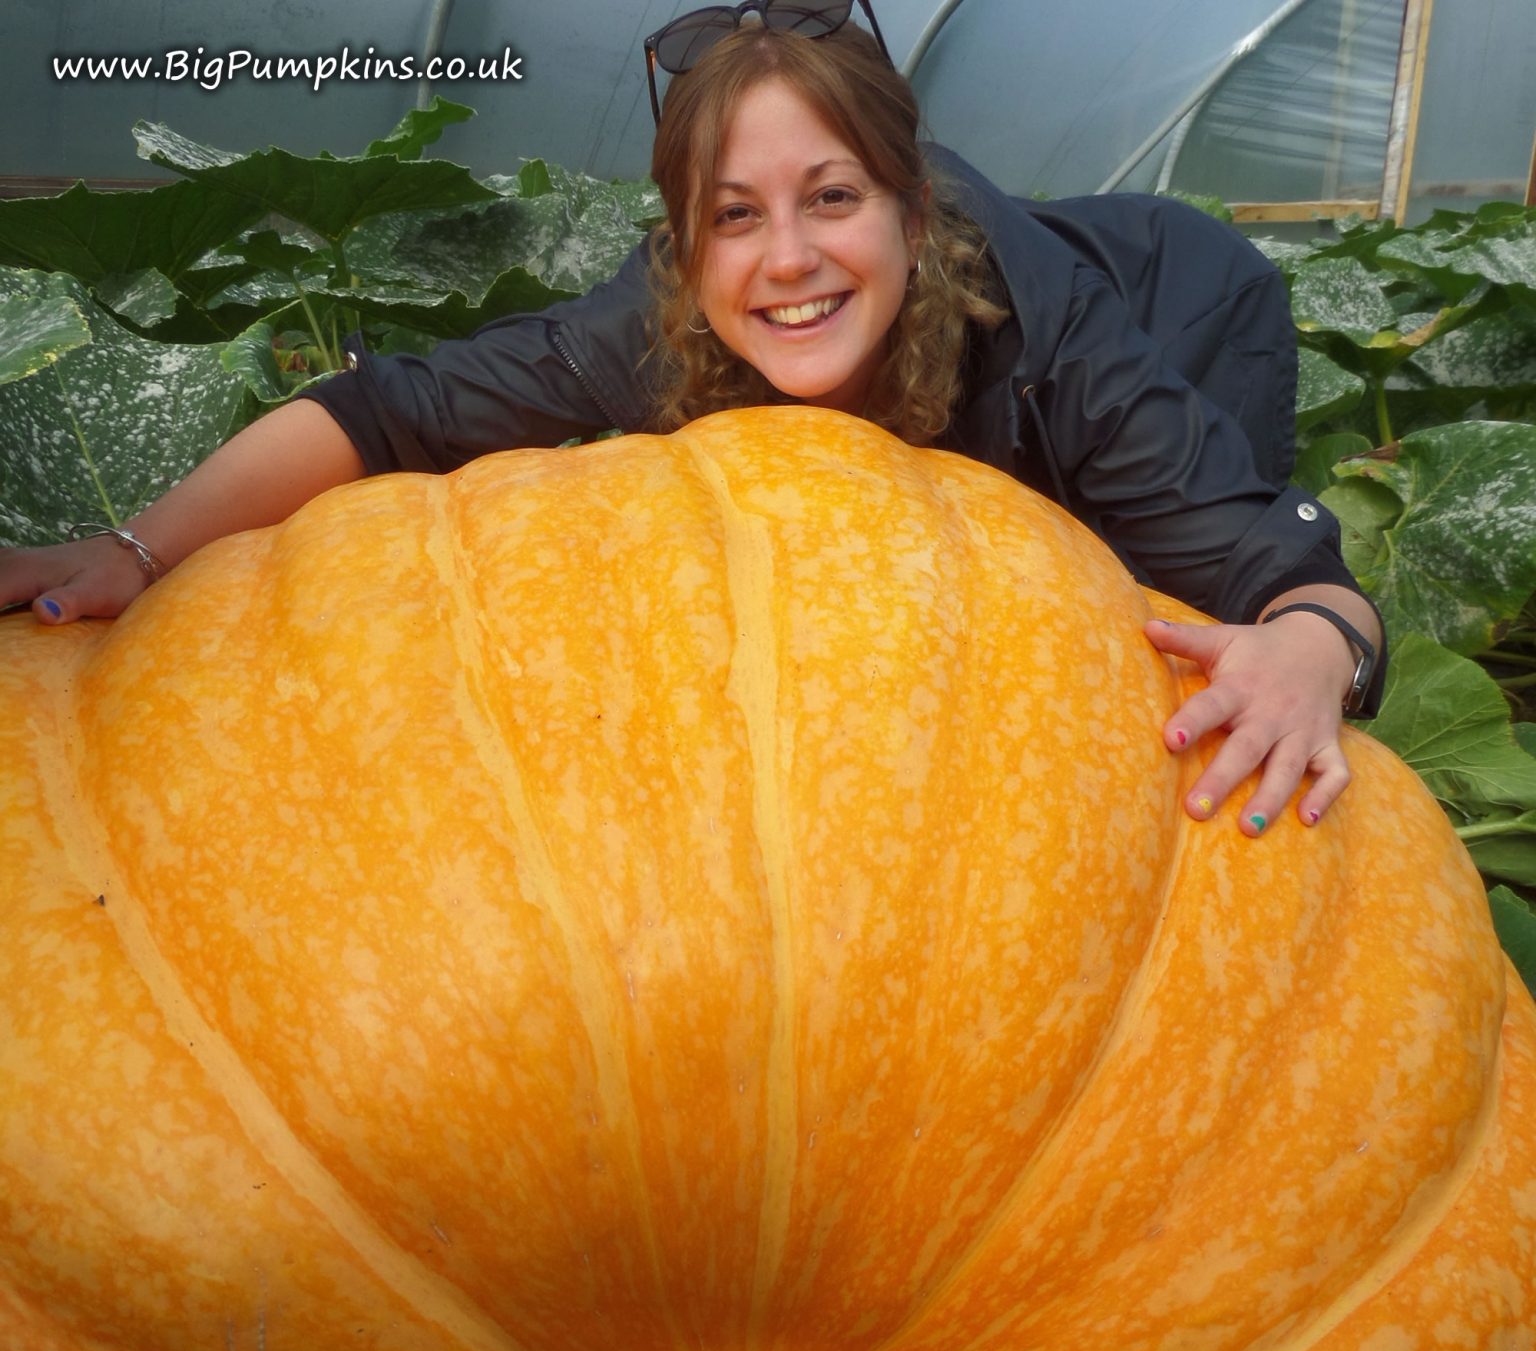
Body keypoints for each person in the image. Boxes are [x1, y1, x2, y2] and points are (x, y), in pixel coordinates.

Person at [0, 0, 1382, 837]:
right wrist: (137, 548)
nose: (786, 259)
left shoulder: (1054, 343)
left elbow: (1298, 579)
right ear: (687, 245)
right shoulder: (657, 323)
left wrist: (1313, 651)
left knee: (1146, 647)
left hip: (1186, 299)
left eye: (832, 198)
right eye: (735, 215)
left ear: (911, 213)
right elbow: (385, 413)